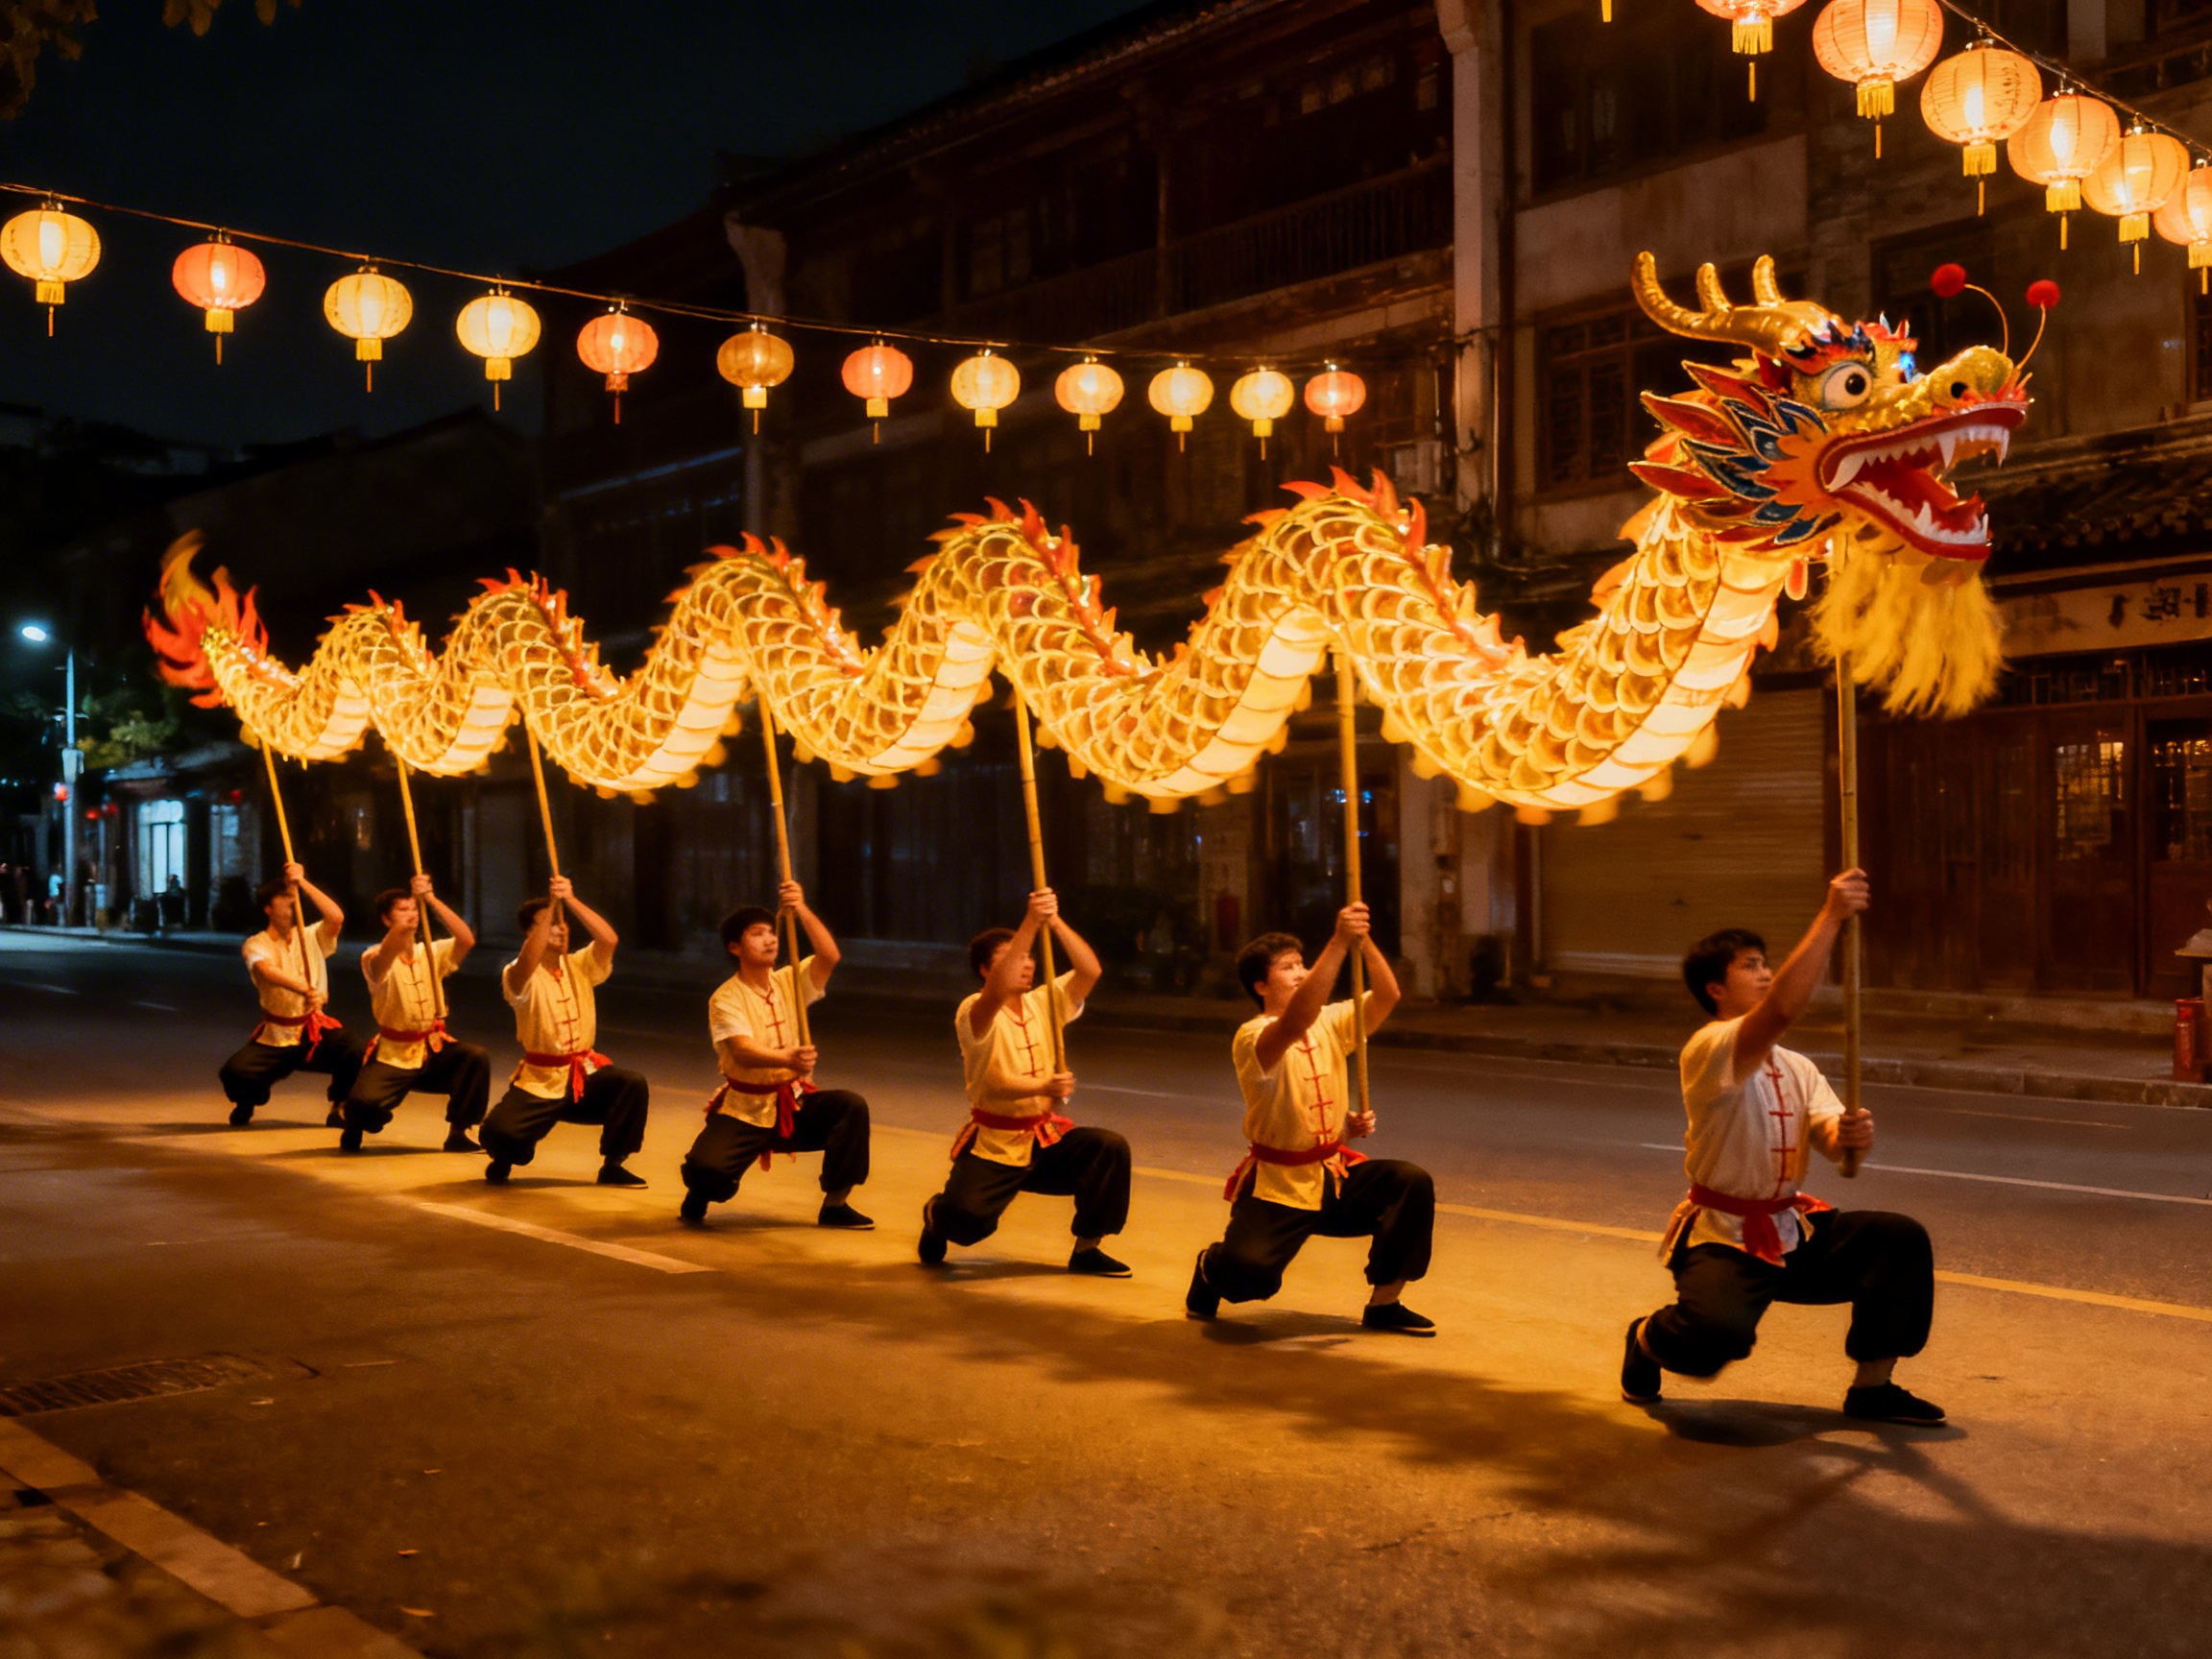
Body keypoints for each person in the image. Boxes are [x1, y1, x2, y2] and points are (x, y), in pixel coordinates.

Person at [1620, 870, 1944, 1426]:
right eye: (1750, 965)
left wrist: (1849, 1139)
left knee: (1898, 1239)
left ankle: (1873, 1387)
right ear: (1715, 989)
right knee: (1714, 1339)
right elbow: (1781, 1012)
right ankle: (1646, 1337)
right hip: (1726, 1237)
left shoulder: (1797, 1066)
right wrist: (1831, 917)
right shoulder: (1711, 1048)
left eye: (1766, 962)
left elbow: (1832, 1146)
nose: (1766, 972)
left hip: (1791, 1231)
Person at [1186, 903, 1435, 1334]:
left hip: (1331, 1177)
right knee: (1250, 1277)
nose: (1301, 973)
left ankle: (1384, 1302)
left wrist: (1362, 941)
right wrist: (1337, 943)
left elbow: (1388, 995)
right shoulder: (1253, 1036)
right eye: (1289, 968)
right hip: (1279, 1187)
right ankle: (1212, 1265)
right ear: (1261, 985)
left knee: (1409, 1183)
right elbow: (1298, 1017)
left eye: (1303, 965)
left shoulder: (1329, 1022)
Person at [917, 888, 1128, 1275]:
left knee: (1108, 1149)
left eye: (1029, 957)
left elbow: (1090, 971)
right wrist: (1030, 922)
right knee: (967, 1223)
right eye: (1013, 959)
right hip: (995, 1144)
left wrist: (1053, 920)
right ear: (986, 970)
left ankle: (1087, 1248)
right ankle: (937, 1214)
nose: (1026, 964)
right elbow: (997, 1082)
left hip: (1043, 1139)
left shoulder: (1044, 1002)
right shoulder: (974, 1011)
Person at [678, 880, 873, 1228]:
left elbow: (830, 956)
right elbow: (742, 1051)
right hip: (745, 1108)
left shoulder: (789, 981)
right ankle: (700, 1193)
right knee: (707, 1171)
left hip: (793, 1102)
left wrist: (801, 909)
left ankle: (835, 1203)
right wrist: (789, 1060)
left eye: (772, 932)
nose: (770, 940)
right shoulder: (725, 998)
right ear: (735, 947)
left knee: (850, 1107)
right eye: (757, 934)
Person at [478, 878, 649, 1186]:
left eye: (562, 924)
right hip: (541, 1079)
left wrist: (569, 901)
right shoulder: (519, 973)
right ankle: (506, 1155)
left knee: (631, 1085)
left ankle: (613, 1163)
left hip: (582, 1074)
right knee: (497, 1134)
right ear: (530, 933)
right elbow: (529, 959)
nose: (561, 929)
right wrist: (551, 909)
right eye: (549, 925)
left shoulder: (579, 965)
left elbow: (608, 940)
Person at [335, 874, 491, 1154]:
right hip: (394, 1051)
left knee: (474, 1058)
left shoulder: (431, 952)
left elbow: (465, 939)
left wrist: (430, 899)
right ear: (386, 919)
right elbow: (384, 959)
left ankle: (458, 1131)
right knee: (364, 1106)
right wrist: (401, 930)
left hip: (431, 1047)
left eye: (413, 909)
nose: (411, 915)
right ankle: (355, 1123)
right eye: (402, 910)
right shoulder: (372, 957)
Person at [217, 863, 365, 1126]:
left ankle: (339, 1106)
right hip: (276, 1034)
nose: (292, 910)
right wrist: (306, 988)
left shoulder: (310, 937)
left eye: (294, 904)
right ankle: (249, 1099)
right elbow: (268, 971)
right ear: (269, 909)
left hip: (311, 1031)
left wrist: (303, 883)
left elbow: (336, 917)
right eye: (286, 904)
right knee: (233, 1073)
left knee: (353, 1050)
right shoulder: (256, 943)